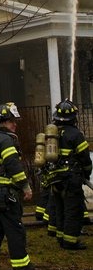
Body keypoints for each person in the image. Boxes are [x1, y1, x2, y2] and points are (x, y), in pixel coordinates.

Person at [0, 102, 34, 270]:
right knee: (14, 228)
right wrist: (25, 186)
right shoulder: (6, 140)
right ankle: (21, 265)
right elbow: (12, 165)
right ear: (3, 122)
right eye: (12, 121)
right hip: (6, 194)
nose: (15, 124)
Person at [46, 99, 91, 250]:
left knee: (60, 208)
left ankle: (61, 237)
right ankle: (70, 241)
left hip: (55, 178)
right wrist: (87, 173)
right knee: (73, 210)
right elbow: (85, 158)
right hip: (71, 179)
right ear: (74, 117)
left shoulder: (53, 134)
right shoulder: (75, 134)